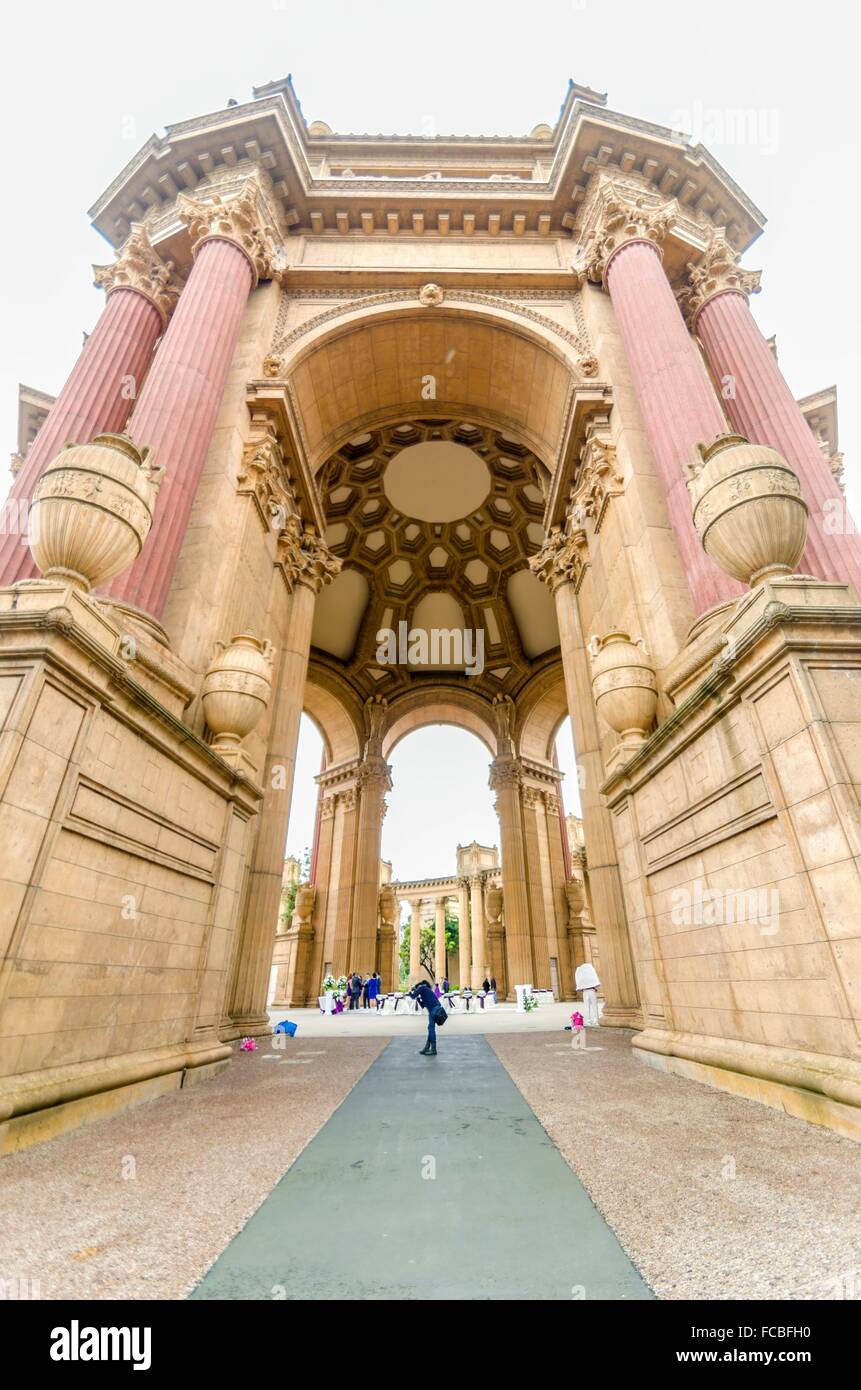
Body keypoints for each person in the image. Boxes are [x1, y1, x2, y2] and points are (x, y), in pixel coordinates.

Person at [409, 977, 442, 1056]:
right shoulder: (427, 991)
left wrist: (410, 990)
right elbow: (423, 1005)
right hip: (435, 1009)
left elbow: (412, 996)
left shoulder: (422, 987)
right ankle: (427, 1047)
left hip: (433, 1010)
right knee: (430, 1028)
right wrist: (418, 999)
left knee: (431, 1029)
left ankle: (433, 1049)